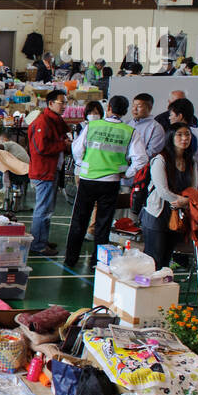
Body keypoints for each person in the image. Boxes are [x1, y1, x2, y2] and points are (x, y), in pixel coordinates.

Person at [65, 95, 143, 269]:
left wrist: (81, 164)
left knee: (79, 220)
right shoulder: (130, 131)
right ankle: (97, 260)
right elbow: (141, 159)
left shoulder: (92, 126)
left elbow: (77, 148)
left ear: (108, 108)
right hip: (111, 181)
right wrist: (127, 173)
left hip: (88, 179)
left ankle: (71, 258)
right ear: (125, 111)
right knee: (103, 223)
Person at [141, 124, 198, 270]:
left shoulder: (190, 161)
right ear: (171, 137)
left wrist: (187, 202)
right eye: (179, 135)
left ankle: (162, 290)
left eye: (187, 135)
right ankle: (148, 291)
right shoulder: (161, 159)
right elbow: (162, 191)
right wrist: (183, 202)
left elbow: (193, 188)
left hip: (177, 214)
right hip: (158, 212)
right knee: (154, 259)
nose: (184, 138)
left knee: (166, 258)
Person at [27, 89, 70, 255]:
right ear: (51, 103)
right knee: (43, 209)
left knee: (47, 209)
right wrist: (63, 145)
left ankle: (41, 239)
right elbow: (41, 148)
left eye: (66, 102)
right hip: (43, 171)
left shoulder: (55, 121)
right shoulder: (43, 122)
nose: (64, 106)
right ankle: (37, 244)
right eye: (62, 102)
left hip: (51, 169)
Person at [167, 97, 198, 174]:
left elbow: (187, 155)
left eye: (171, 115)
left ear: (180, 116)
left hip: (187, 174)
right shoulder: (197, 130)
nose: (169, 118)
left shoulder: (190, 133)